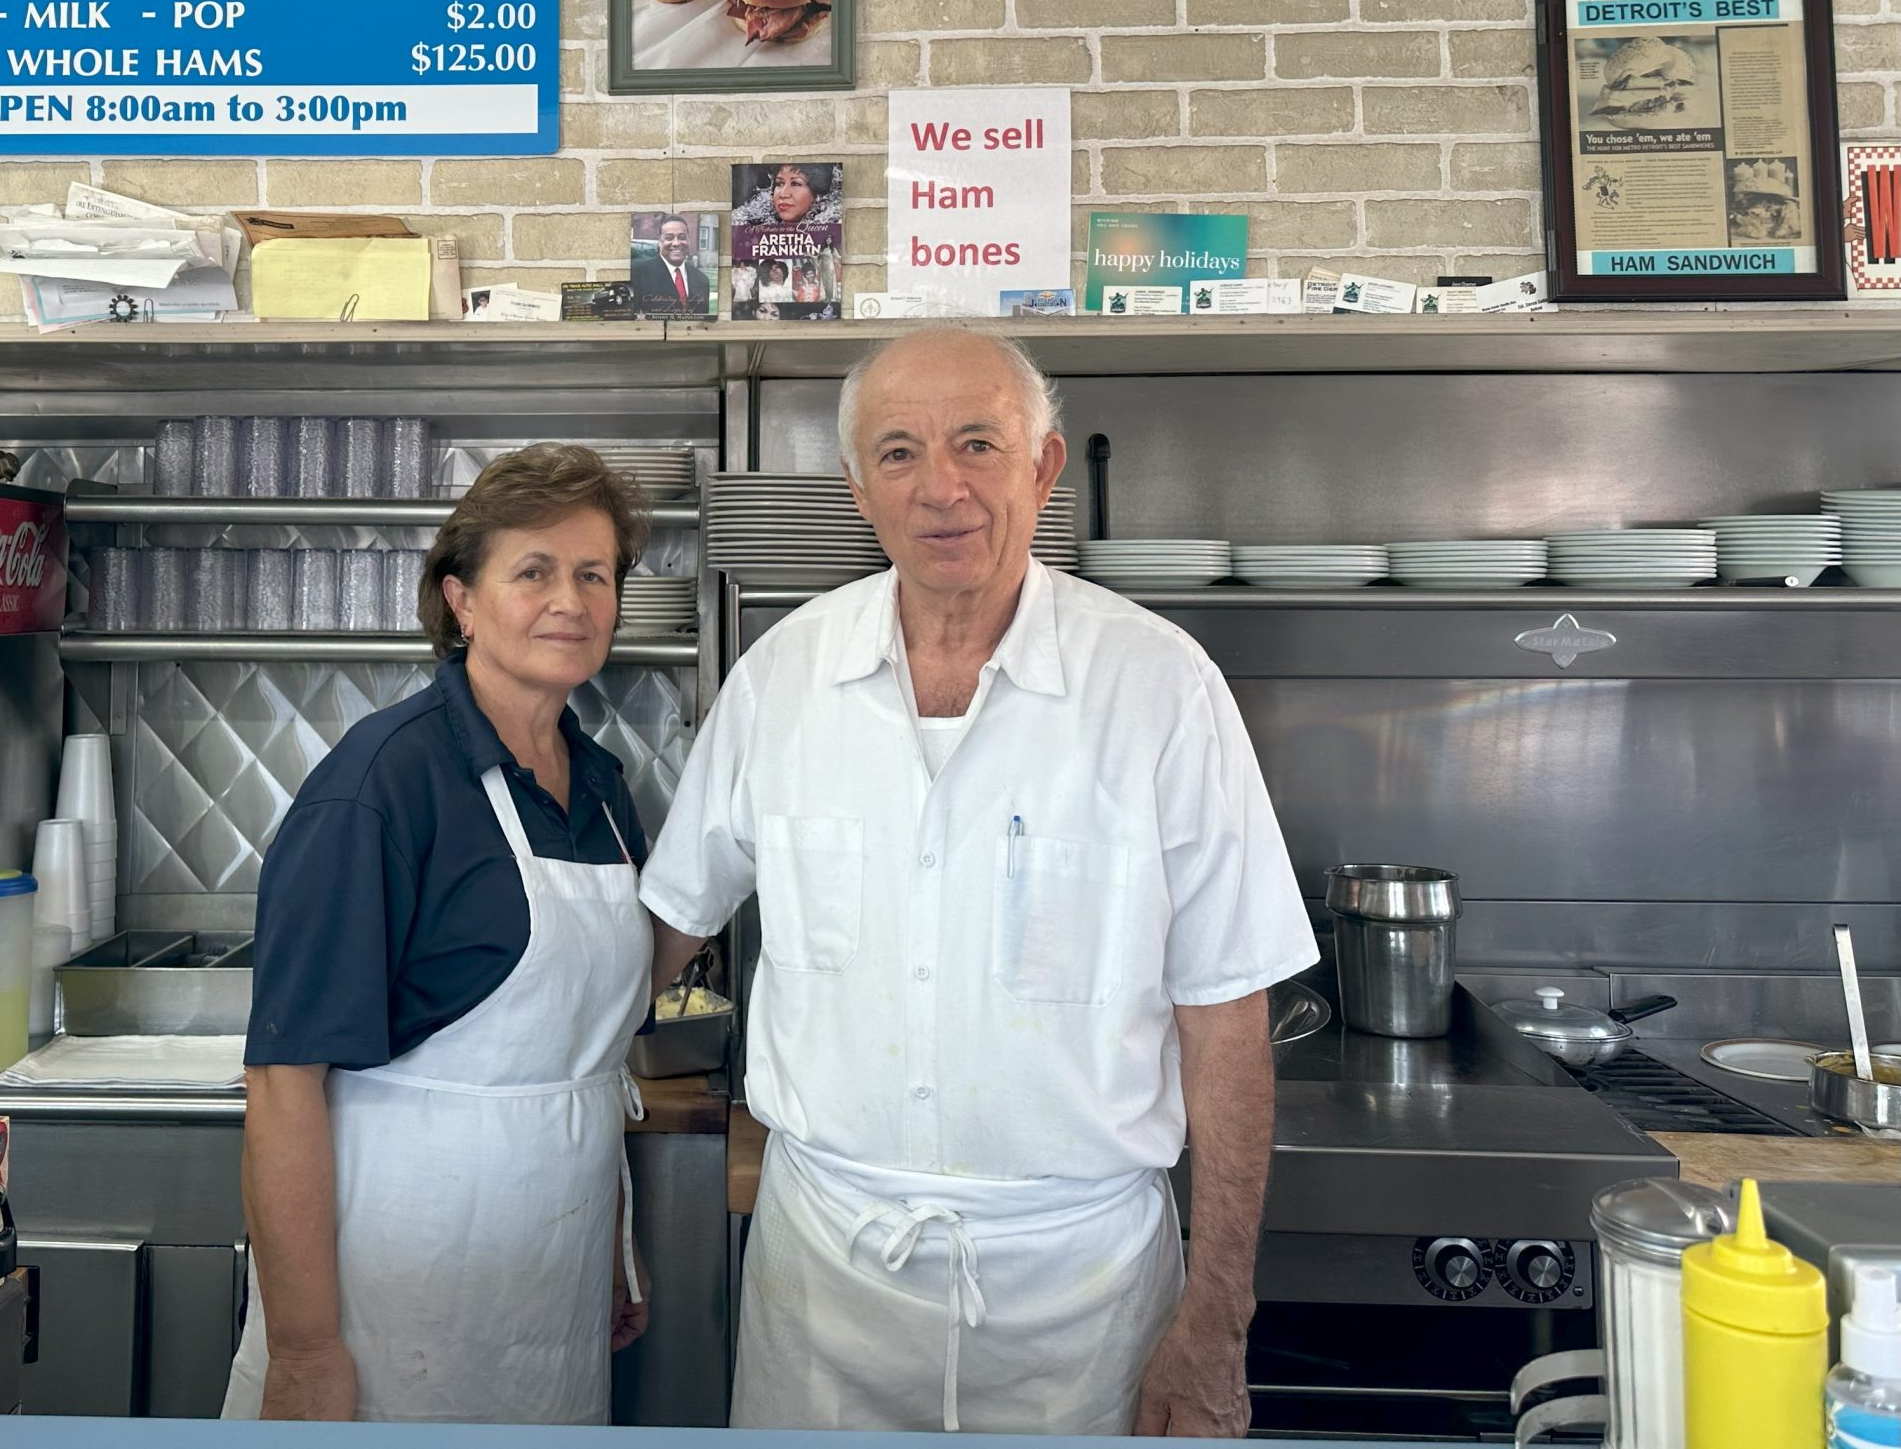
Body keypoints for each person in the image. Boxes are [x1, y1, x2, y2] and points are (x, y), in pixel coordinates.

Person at [641, 326, 1313, 1437]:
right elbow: (671, 924)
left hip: (1082, 1300)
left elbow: (1226, 1011)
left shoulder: (1158, 689)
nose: (940, 487)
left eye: (976, 445)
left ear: (1042, 470)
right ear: (858, 489)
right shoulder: (782, 682)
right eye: (899, 453)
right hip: (824, 1286)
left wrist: (1217, 1316)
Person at [227, 444, 658, 1424]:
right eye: (533, 572)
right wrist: (301, 1349)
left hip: (555, 1270)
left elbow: (578, 1065)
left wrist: (612, 1244)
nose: (571, 600)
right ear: (461, 601)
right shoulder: (382, 785)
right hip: (393, 1288)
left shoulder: (597, 787)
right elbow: (282, 1081)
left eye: (594, 574)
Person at [632, 213, 710, 316]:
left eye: (682, 237)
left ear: (689, 241)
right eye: (669, 238)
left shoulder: (702, 280)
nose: (676, 243)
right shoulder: (637, 273)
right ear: (660, 242)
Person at [731, 161, 841, 229]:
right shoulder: (746, 224)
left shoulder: (832, 231)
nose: (783, 194)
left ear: (818, 194)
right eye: (779, 184)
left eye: (795, 184)